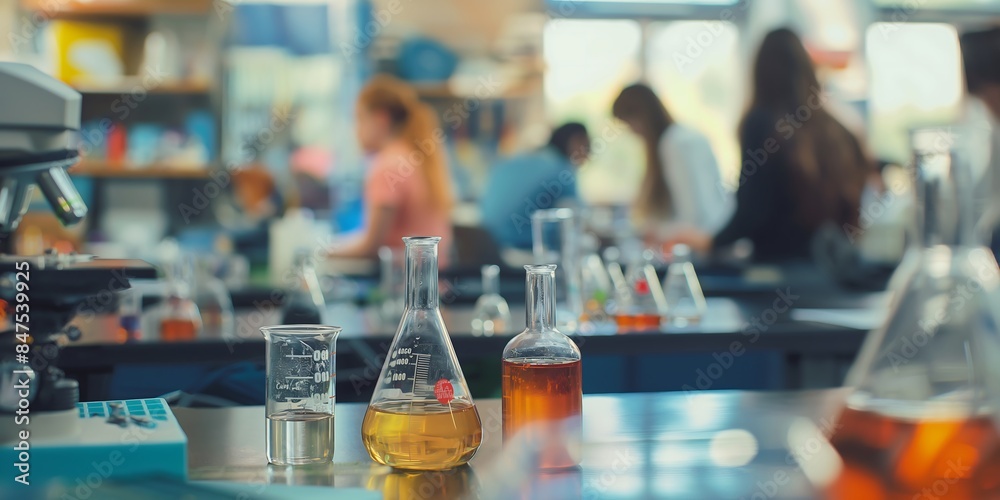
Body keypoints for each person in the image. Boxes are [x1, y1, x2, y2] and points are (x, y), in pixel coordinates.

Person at [669, 28, 871, 262]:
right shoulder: (838, 129)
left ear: (759, 72)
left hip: (776, 272)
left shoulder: (761, 123)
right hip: (831, 271)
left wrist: (711, 241)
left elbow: (753, 210)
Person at [327, 75, 454, 264]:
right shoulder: (414, 157)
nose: (356, 130)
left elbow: (369, 247)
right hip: (431, 283)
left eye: (359, 119)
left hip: (402, 285)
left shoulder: (388, 167)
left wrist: (319, 253)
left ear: (380, 119)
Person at [611, 84, 732, 239]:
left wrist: (656, 231)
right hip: (714, 237)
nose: (632, 132)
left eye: (628, 124)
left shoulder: (674, 143)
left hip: (704, 245)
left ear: (641, 116)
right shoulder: (682, 136)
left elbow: (694, 217)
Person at [479, 123, 590, 249]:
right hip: (525, 249)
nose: (589, 155)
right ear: (575, 142)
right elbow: (580, 220)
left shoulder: (515, 160)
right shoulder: (561, 169)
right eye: (586, 146)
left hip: (489, 245)